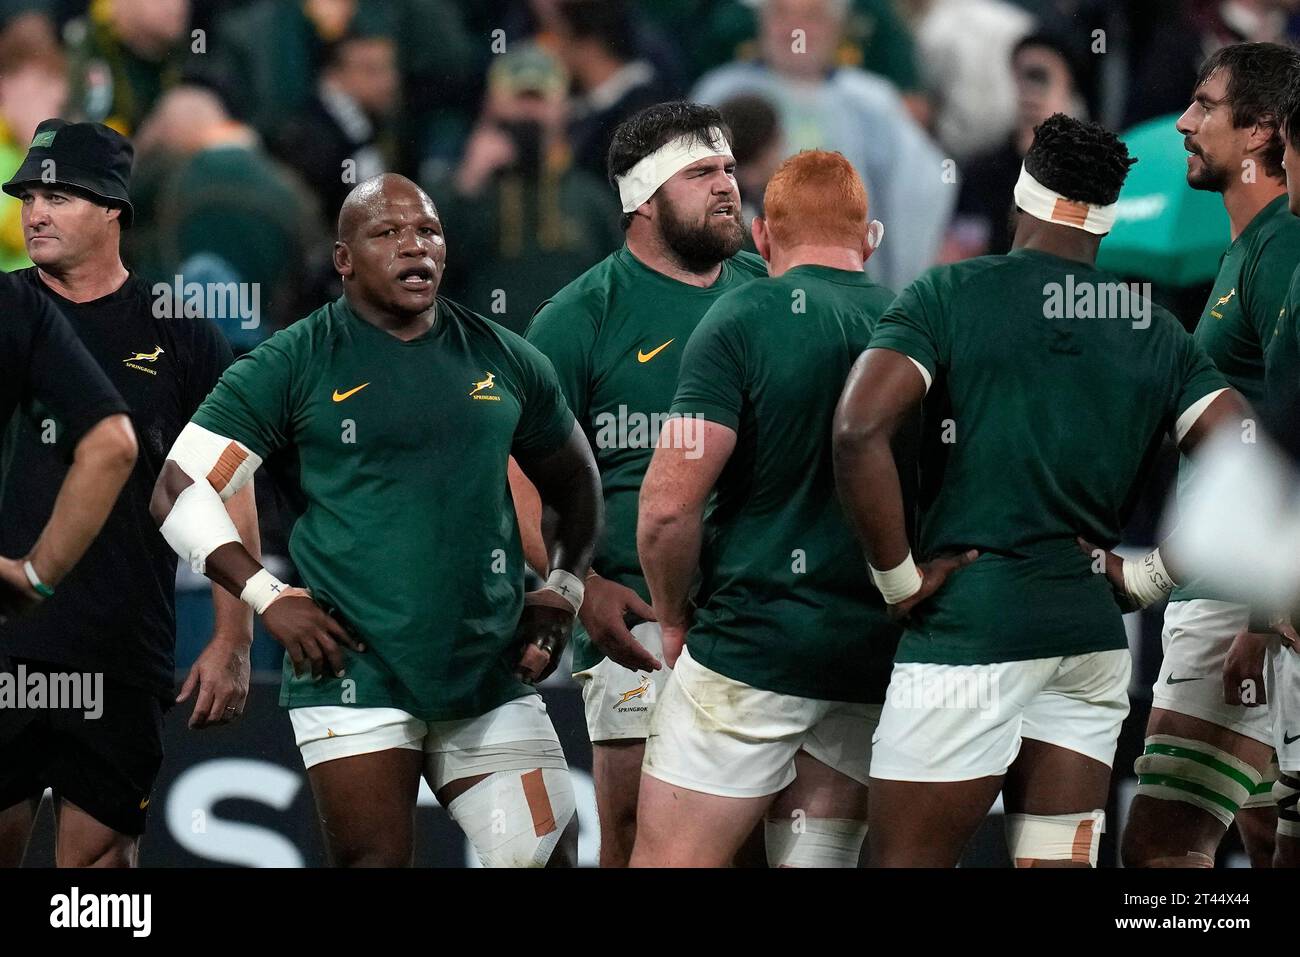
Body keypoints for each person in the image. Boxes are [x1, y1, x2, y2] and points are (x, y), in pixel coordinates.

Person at [150, 173, 603, 868]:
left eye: (427, 230)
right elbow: (176, 488)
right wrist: (265, 597)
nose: (413, 246)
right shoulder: (292, 361)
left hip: (488, 669)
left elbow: (578, 482)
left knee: (546, 859)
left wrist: (563, 590)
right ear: (343, 259)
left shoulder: (504, 356)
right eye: (387, 233)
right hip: (351, 672)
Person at [832, 113, 1243, 867]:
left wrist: (896, 578)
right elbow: (1255, 460)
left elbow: (858, 432)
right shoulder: (1150, 325)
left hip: (970, 632)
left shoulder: (949, 292)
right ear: (1106, 218)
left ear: (1021, 199)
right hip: (1088, 641)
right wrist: (1148, 574)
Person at [630, 149, 899, 867]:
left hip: (750, 648)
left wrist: (673, 614)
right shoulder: (915, 326)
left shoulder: (739, 316)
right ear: (870, 238)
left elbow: (665, 507)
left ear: (762, 236)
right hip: (870, 660)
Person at [519, 101, 767, 866]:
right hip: (638, 620)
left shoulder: (773, 287)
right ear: (644, 201)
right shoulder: (579, 317)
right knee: (631, 833)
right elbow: (520, 481)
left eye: (728, 169)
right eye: (701, 173)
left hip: (764, 608)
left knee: (775, 839)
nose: (727, 186)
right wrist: (579, 585)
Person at [0, 118, 246, 869]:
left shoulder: (180, 333)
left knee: (101, 884)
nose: (36, 212)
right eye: (28, 195)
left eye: (60, 196)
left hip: (121, 649)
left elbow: (227, 481)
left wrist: (234, 637)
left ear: (114, 210)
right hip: (3, 647)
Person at [1116, 42, 1300, 869]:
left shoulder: (1283, 250)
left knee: (1162, 850)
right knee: (1268, 840)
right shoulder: (1249, 246)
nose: (1184, 123)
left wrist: (1263, 621)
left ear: (1263, 130)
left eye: (1205, 107)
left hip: (1242, 601)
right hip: (1227, 592)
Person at [692, 0, 953, 292]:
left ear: (837, 28)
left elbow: (921, 188)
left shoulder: (872, 102)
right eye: (781, 14)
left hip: (848, 286)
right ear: (762, 23)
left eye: (811, 16)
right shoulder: (721, 91)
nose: (794, 28)